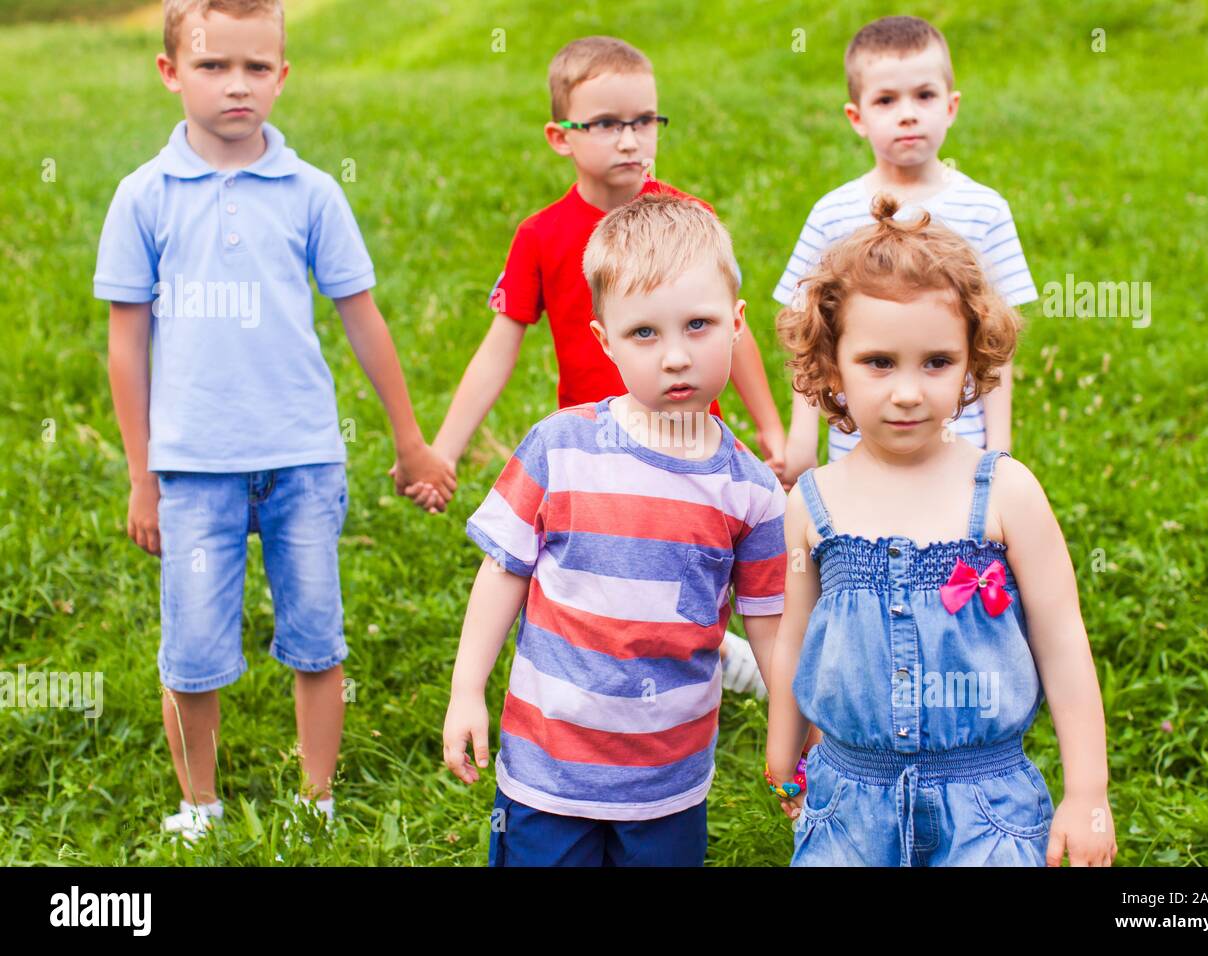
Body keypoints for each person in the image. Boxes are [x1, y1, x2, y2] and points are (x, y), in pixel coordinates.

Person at [94, 0, 448, 841]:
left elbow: (364, 320)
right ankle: (200, 805)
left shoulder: (312, 194)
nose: (237, 85)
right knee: (192, 648)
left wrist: (408, 438)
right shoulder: (143, 197)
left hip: (303, 459)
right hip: (192, 467)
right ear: (171, 72)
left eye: (258, 67)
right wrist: (143, 476)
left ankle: (315, 801)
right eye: (214, 66)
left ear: (283, 77)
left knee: (319, 639)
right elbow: (125, 349)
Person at [410, 35, 783, 694]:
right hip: (596, 448)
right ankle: (603, 666)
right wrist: (445, 448)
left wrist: (771, 429)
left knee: (696, 559)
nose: (631, 139)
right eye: (607, 124)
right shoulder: (541, 236)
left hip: (687, 435)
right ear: (561, 137)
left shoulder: (688, 222)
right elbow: (500, 348)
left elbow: (735, 333)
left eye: (644, 120)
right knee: (607, 567)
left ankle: (707, 655)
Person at [764, 194, 1117, 866]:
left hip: (987, 805)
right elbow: (795, 636)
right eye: (878, 362)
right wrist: (784, 747)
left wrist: (1087, 794)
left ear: (973, 365)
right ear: (831, 368)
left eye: (936, 362)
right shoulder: (814, 502)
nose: (907, 390)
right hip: (846, 801)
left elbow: (1064, 643)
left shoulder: (1006, 493)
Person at [441, 194, 786, 865]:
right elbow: (502, 574)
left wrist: (791, 729)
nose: (677, 357)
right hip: (546, 774)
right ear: (605, 341)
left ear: (737, 324)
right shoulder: (559, 450)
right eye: (645, 334)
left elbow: (770, 626)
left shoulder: (752, 492)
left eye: (699, 325)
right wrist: (465, 692)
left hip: (668, 783)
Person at [777, 15, 1036, 486]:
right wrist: (801, 436)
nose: (908, 113)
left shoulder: (984, 209)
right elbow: (808, 332)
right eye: (886, 100)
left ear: (951, 106)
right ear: (856, 117)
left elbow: (999, 344)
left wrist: (1000, 447)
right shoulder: (832, 213)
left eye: (924, 95)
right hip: (857, 443)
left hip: (958, 446)